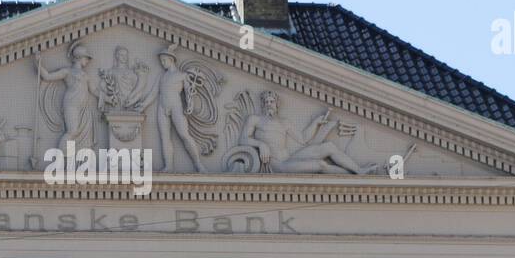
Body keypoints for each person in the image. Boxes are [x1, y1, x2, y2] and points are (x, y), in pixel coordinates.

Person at [238, 90, 376, 174]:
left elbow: (303, 139)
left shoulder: (284, 122)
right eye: (266, 102)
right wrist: (261, 144)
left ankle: (358, 171)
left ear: (276, 104)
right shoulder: (255, 119)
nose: (269, 104)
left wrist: (315, 123)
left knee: (329, 146)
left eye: (271, 101)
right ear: (262, 105)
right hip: (279, 165)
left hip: (289, 159)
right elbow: (243, 139)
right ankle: (351, 177)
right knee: (320, 164)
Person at [154, 47, 205, 172]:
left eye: (164, 60)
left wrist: (190, 105)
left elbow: (188, 94)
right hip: (162, 107)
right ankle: (168, 166)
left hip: (176, 107)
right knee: (165, 138)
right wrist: (142, 105)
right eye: (161, 61)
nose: (162, 63)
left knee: (184, 135)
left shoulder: (182, 75)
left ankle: (198, 164)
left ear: (171, 59)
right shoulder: (162, 77)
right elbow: (154, 93)